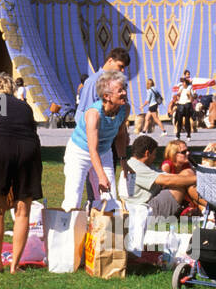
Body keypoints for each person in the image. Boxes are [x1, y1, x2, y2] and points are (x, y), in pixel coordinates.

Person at [0, 72, 42, 273]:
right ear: (11, 89)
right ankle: (15, 265)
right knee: (22, 211)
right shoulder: (24, 106)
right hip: (28, 149)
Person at [63, 69, 130, 211]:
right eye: (120, 90)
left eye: (124, 88)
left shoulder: (125, 108)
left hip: (104, 152)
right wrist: (101, 176)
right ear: (106, 96)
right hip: (80, 153)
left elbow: (120, 135)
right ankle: (67, 230)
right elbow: (92, 149)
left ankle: (103, 230)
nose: (124, 92)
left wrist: (123, 161)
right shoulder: (94, 114)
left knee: (110, 200)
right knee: (73, 198)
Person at [123, 135, 197, 216]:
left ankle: (206, 209)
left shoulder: (144, 165)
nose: (155, 157)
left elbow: (169, 177)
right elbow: (167, 180)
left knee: (186, 175)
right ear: (147, 153)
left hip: (148, 203)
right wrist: (199, 179)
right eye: (154, 154)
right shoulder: (134, 167)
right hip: (142, 209)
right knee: (181, 183)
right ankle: (207, 208)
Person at [78, 47, 129, 115]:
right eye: (120, 66)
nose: (123, 70)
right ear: (110, 61)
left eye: (124, 67)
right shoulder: (93, 81)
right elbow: (86, 111)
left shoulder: (119, 82)